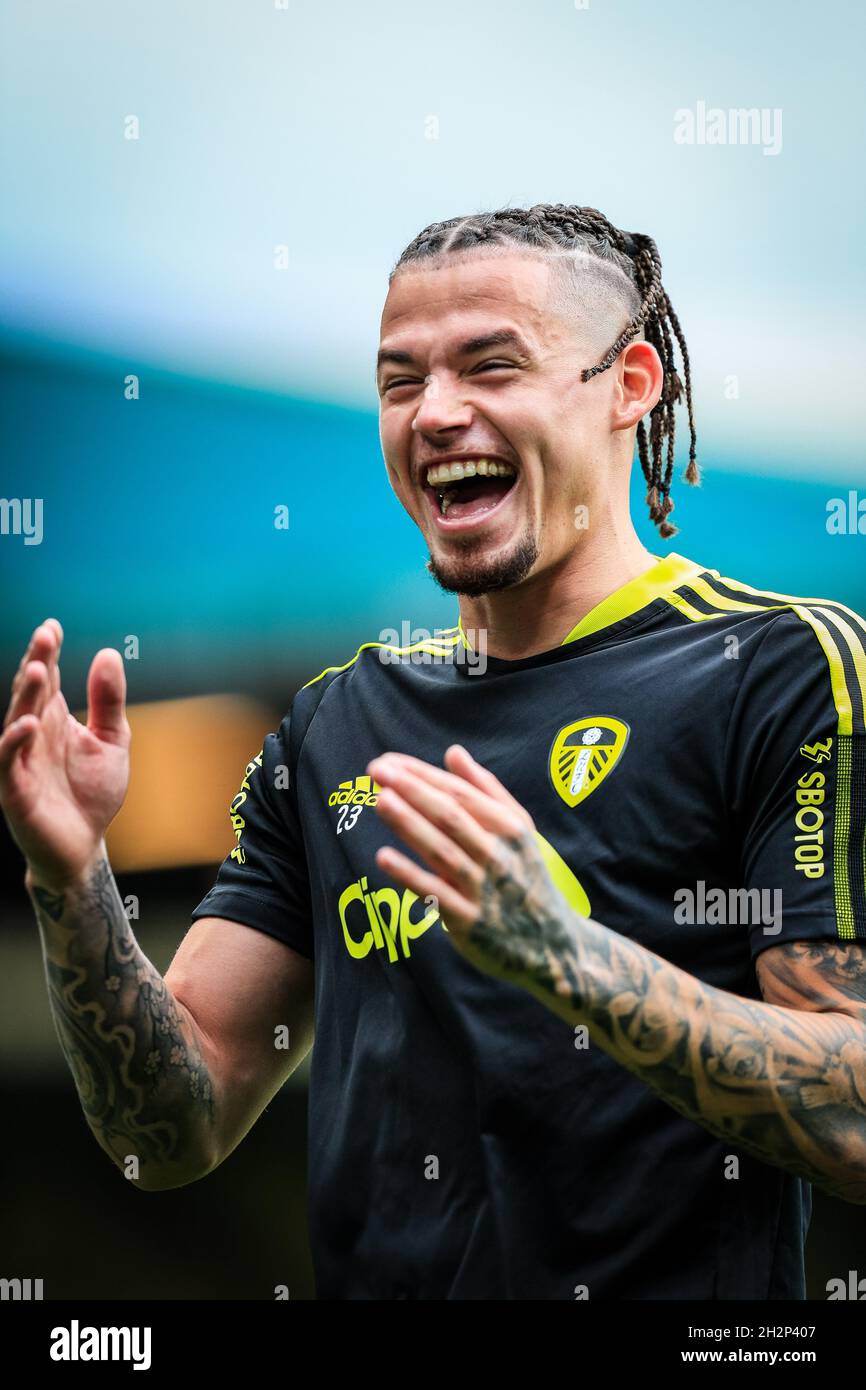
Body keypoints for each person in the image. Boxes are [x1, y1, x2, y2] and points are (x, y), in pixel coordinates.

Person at [3, 204, 865, 1301]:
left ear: (630, 384)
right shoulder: (329, 729)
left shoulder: (777, 667)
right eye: (399, 381)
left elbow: (854, 1121)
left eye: (489, 366)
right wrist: (70, 878)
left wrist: (565, 956)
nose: (436, 413)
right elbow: (170, 1130)